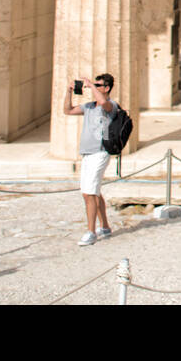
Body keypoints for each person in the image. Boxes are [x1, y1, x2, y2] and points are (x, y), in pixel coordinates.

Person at [63, 73, 120, 246]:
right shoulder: (88, 106)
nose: (93, 87)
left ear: (107, 88)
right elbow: (67, 110)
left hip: (100, 152)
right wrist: (68, 91)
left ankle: (91, 232)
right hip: (87, 153)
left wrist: (91, 85)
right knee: (92, 191)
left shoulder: (111, 106)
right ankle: (105, 227)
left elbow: (103, 102)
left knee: (89, 193)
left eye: (99, 85)